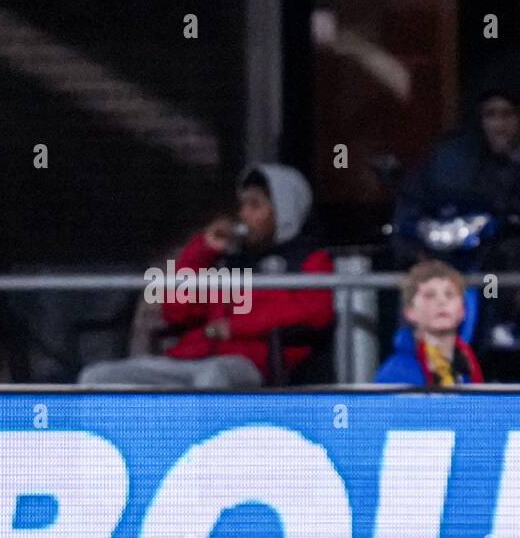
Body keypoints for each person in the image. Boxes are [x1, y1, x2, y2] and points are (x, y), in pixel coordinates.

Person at [392, 81, 520, 383]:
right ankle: (428, 405)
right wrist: (422, 259)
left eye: (508, 115)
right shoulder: (454, 156)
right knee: (422, 305)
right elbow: (412, 213)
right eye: (490, 115)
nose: (498, 125)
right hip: (466, 280)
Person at [79, 164, 333, 387]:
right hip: (192, 357)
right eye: (242, 205)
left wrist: (234, 327)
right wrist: (203, 249)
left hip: (250, 363)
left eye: (255, 205)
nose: (244, 214)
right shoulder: (227, 261)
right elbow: (176, 311)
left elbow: (314, 313)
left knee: (212, 379)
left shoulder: (308, 260)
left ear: (284, 211)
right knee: (98, 377)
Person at [376, 260, 484, 385]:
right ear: (410, 312)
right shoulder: (395, 374)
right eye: (429, 295)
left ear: (462, 311)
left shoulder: (469, 365)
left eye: (449, 294)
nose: (442, 302)